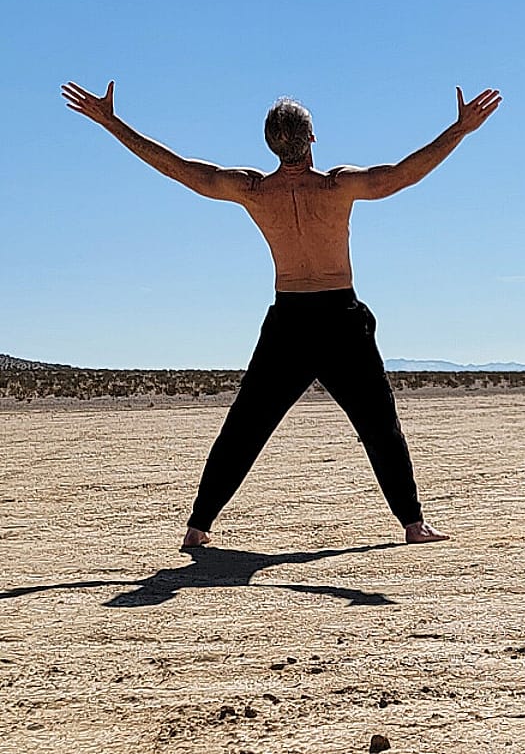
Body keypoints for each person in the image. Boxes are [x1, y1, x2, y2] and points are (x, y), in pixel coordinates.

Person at [62, 80, 502, 547]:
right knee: (378, 424)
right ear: (312, 138)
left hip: (288, 322)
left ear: (271, 144)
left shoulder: (253, 190)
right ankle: (413, 524)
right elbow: (401, 174)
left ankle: (197, 527)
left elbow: (180, 170)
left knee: (246, 426)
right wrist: (460, 130)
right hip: (339, 319)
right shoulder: (338, 186)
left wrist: (111, 123)